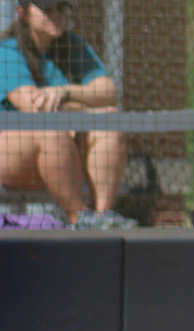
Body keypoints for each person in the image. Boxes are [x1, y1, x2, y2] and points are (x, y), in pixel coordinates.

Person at [0, 0, 136, 229]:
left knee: (110, 123)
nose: (56, 15)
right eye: (47, 10)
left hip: (65, 152)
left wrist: (66, 91)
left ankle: (102, 218)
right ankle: (79, 218)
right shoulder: (6, 51)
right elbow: (36, 107)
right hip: (12, 152)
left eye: (61, 9)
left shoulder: (72, 46)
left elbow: (108, 93)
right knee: (50, 132)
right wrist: (88, 111)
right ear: (23, 13)